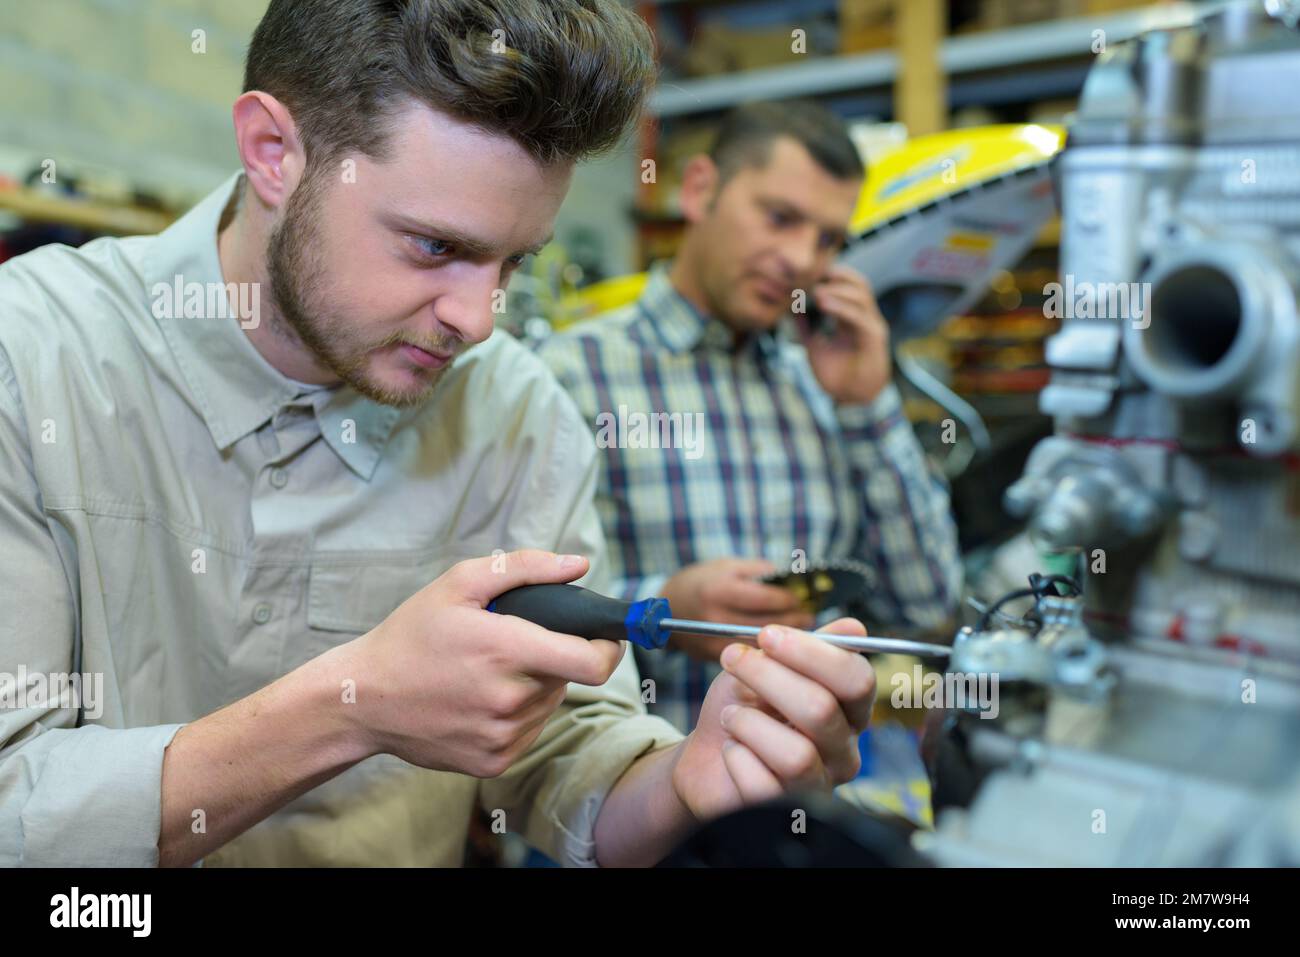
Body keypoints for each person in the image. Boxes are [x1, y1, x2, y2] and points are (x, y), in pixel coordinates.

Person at [0, 0, 878, 868]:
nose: (478, 320)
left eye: (512, 262)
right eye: (432, 247)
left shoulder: (518, 420)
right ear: (274, 152)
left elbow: (567, 762)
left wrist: (692, 778)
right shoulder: (31, 360)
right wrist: (352, 707)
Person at [538, 101, 961, 733]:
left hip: (807, 785)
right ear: (701, 190)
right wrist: (662, 609)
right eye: (780, 217)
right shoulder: (571, 374)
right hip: (636, 791)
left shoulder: (823, 386)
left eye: (827, 240)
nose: (800, 259)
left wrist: (867, 407)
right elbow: (522, 611)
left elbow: (925, 600)